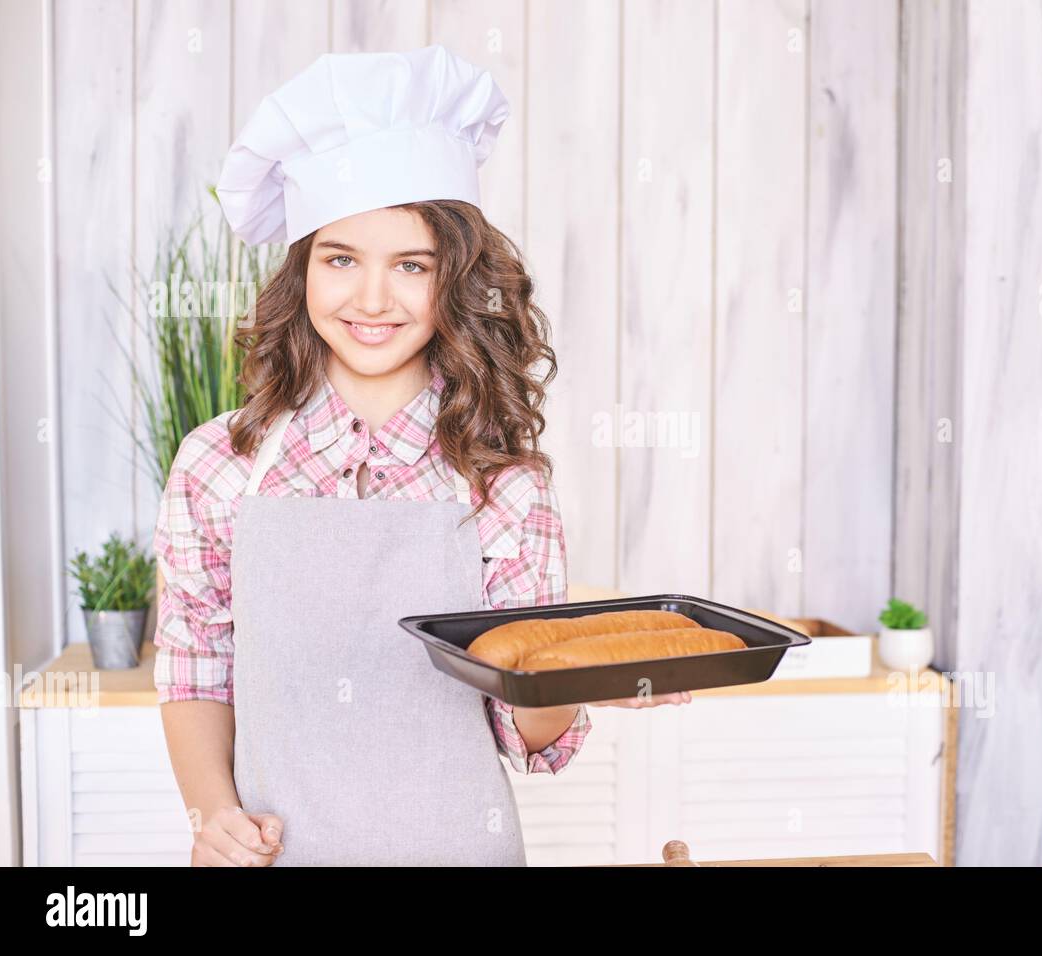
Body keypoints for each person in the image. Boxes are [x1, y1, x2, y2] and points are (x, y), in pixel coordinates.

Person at [152, 44, 690, 868]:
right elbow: (195, 672)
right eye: (340, 260)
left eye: (412, 265)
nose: (372, 299)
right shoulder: (218, 466)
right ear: (300, 275)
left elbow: (525, 732)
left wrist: (584, 679)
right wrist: (213, 816)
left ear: (456, 282)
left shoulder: (504, 485)